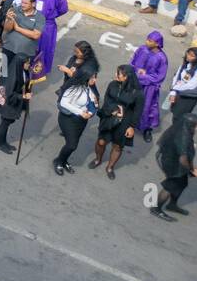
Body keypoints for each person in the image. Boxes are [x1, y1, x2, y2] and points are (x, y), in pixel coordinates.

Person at [53, 41, 100, 175]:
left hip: (81, 120)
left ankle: (64, 160)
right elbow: (64, 103)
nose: (95, 79)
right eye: (92, 77)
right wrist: (81, 112)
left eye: (95, 76)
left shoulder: (90, 89)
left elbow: (94, 104)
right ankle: (58, 161)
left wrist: (90, 112)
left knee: (73, 143)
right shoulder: (73, 89)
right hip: (68, 117)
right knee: (72, 144)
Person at [88, 64, 143, 179]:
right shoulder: (113, 85)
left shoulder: (138, 93)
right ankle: (98, 159)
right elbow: (107, 100)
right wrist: (112, 110)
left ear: (126, 77)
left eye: (118, 74)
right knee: (101, 142)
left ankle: (110, 167)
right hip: (109, 117)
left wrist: (132, 126)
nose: (115, 75)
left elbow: (138, 111)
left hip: (124, 123)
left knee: (117, 146)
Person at [149, 112, 197, 220]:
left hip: (174, 160)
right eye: (196, 125)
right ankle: (156, 208)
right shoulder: (183, 137)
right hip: (173, 163)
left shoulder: (183, 130)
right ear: (189, 125)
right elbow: (183, 159)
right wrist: (192, 170)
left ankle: (172, 204)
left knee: (182, 183)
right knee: (171, 185)